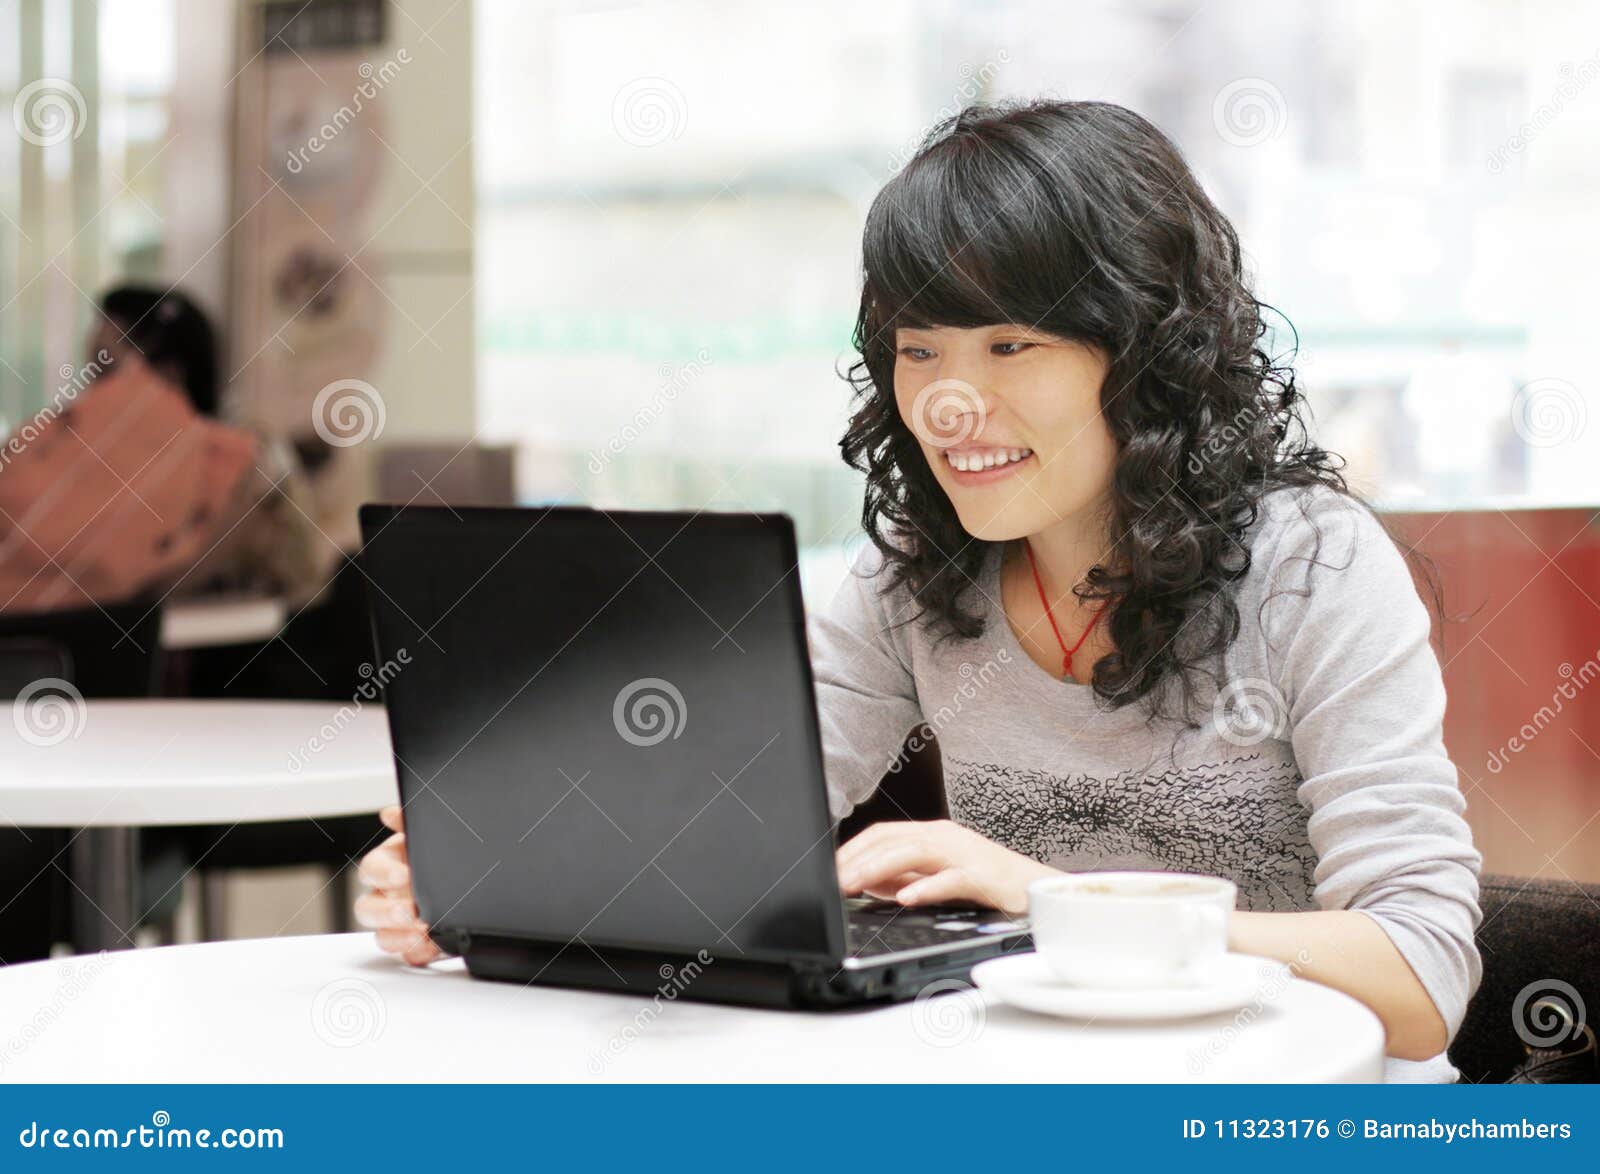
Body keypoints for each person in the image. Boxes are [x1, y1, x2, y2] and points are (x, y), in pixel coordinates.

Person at [355, 101, 1481, 1081]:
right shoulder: (916, 574)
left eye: (1008, 346)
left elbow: (1422, 974)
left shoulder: (1309, 567)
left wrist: (1052, 898)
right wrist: (499, 872)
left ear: (1144, 356)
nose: (947, 403)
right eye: (919, 349)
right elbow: (718, 818)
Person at [0, 285, 324, 613]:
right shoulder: (54, 444)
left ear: (171, 375)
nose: (96, 396)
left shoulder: (243, 464)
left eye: (109, 372)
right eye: (94, 374)